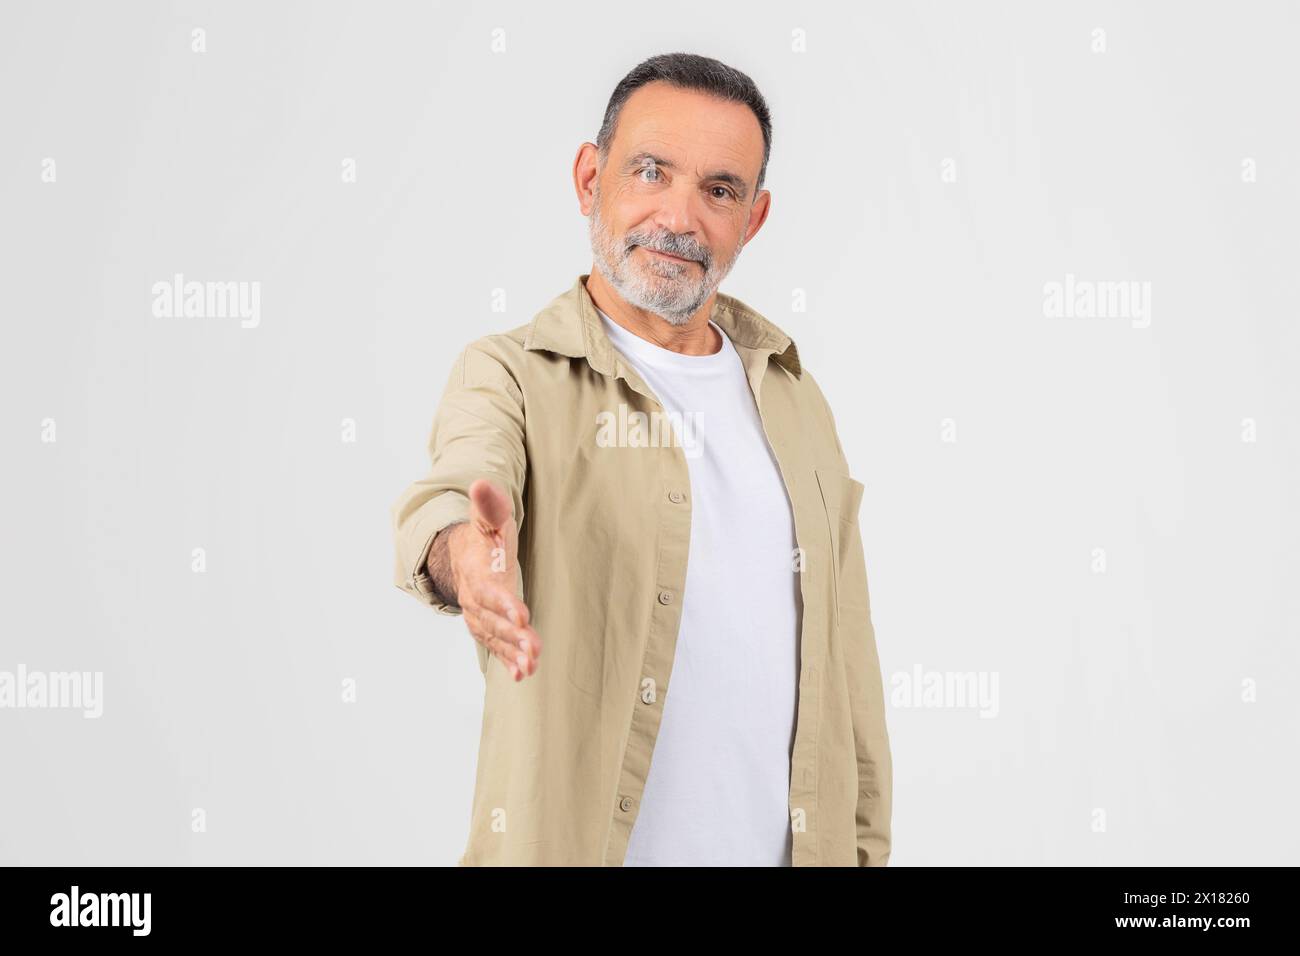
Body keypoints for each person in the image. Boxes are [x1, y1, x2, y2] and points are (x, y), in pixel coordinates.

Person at [391, 52, 891, 866]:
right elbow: (451, 494)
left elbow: (849, 667)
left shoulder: (796, 398)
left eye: (719, 190)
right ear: (592, 179)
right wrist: (469, 561)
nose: (681, 217)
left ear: (753, 218)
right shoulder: (511, 374)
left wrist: (866, 850)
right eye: (651, 171)